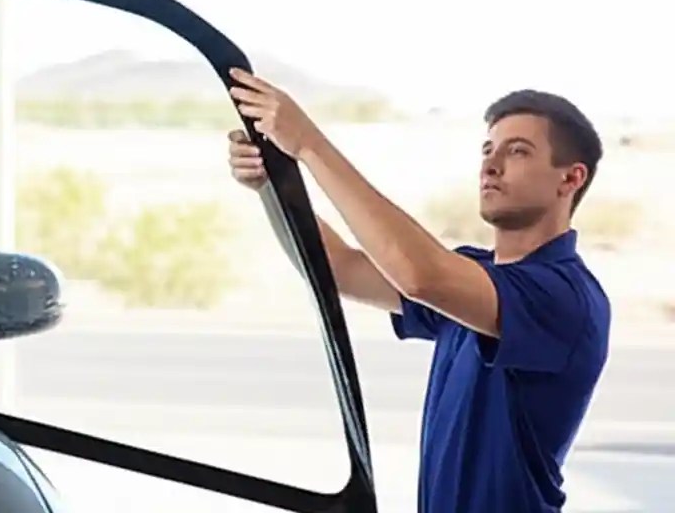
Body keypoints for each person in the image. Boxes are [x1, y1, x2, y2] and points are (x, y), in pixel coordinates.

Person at [224, 67, 610, 513]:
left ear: (570, 178)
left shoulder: (564, 296)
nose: (491, 164)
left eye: (518, 151)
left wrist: (309, 144)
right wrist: (272, 183)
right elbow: (340, 267)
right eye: (488, 149)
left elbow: (419, 274)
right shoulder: (475, 278)